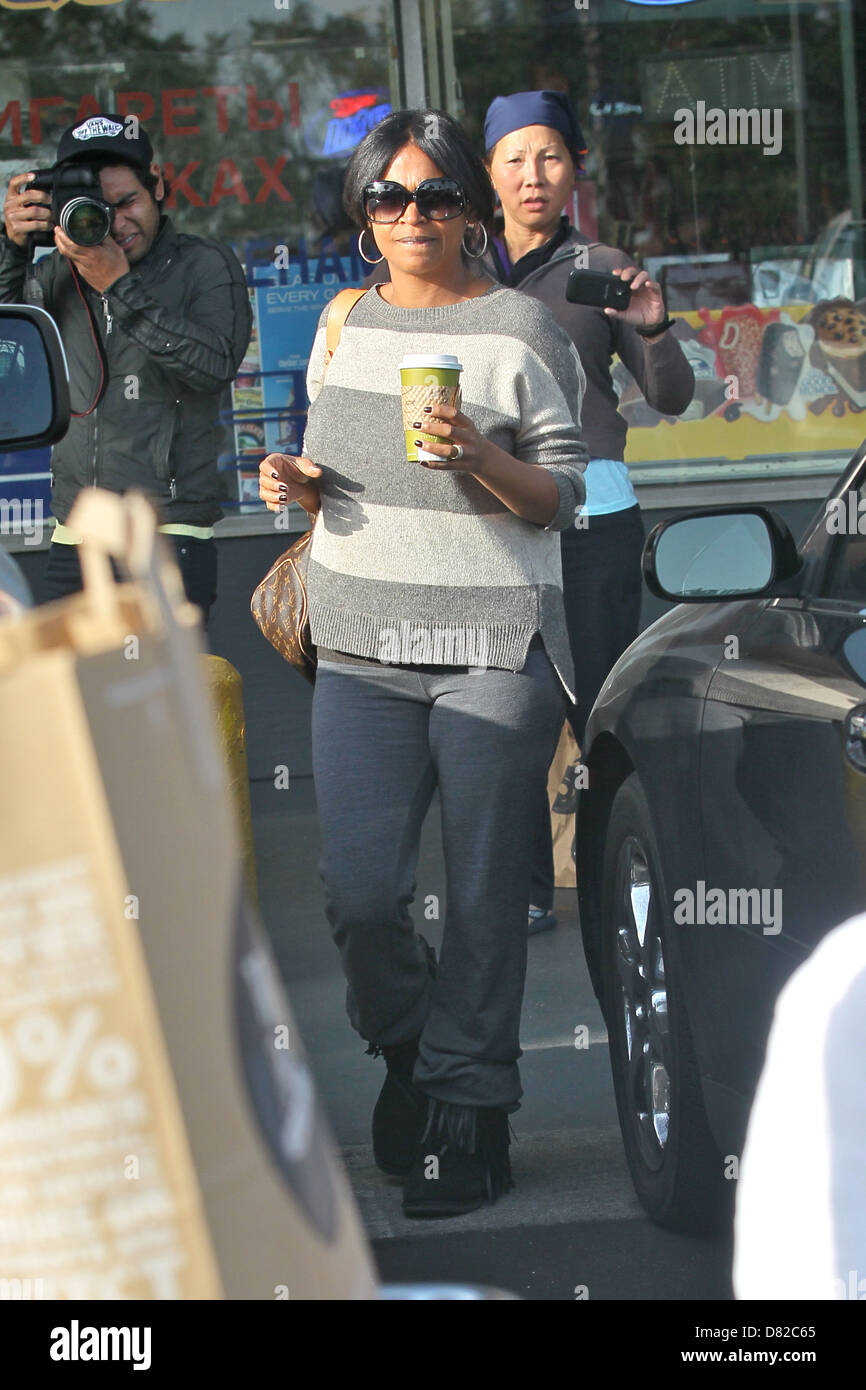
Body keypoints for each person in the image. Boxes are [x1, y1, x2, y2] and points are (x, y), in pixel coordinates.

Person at [259, 109, 588, 1218]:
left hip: (493, 643)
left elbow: (560, 496)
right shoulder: (344, 320)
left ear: (469, 210)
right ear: (363, 213)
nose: (411, 217)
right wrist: (292, 484)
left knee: (488, 892)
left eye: (435, 196)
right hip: (360, 644)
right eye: (388, 198)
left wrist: (479, 456)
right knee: (358, 893)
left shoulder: (517, 330)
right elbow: (329, 464)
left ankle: (471, 1108)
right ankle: (411, 1054)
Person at [483, 90, 695, 934]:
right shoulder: (460, 264)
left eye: (550, 157)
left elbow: (672, 397)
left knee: (599, 713)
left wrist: (653, 324)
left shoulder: (600, 263)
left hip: (592, 521)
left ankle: (620, 883)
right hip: (491, 521)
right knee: (503, 709)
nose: (533, 177)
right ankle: (530, 889)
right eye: (513, 159)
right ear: (488, 171)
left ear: (574, 169)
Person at [0, 113, 252, 624]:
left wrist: (118, 284)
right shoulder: (59, 273)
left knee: (158, 697)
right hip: (76, 532)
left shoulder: (204, 264)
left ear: (157, 187)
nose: (115, 225)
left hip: (168, 532)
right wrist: (11, 247)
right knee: (76, 700)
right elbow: (7, 346)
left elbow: (213, 367)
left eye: (127, 203)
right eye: (98, 209)